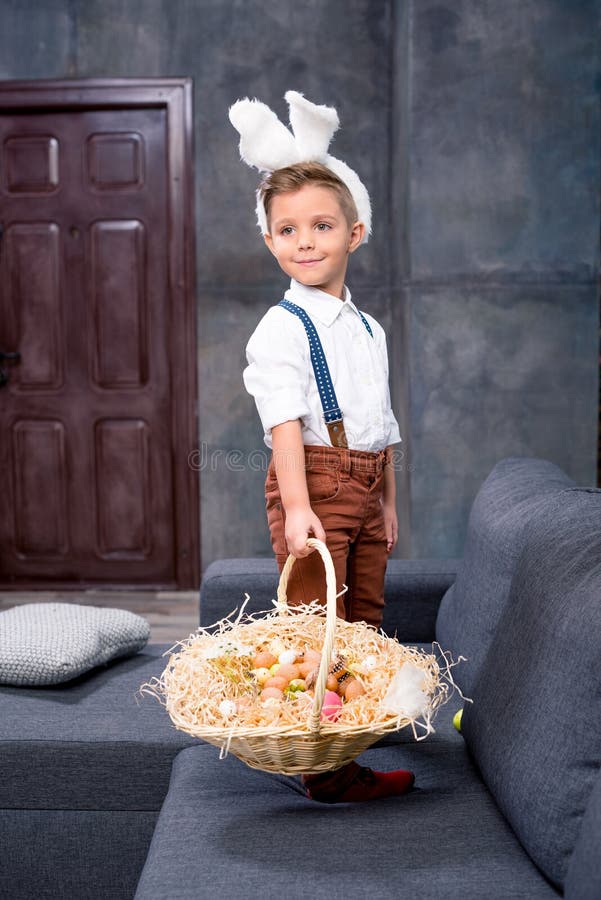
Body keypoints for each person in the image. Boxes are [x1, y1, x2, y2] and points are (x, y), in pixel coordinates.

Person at [230, 91, 415, 803]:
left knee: (363, 614)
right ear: (270, 240)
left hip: (364, 485)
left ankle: (348, 726)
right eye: (286, 229)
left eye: (320, 225)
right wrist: (301, 509)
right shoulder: (281, 328)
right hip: (314, 484)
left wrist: (387, 503)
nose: (303, 241)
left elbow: (383, 421)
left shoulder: (369, 330)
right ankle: (322, 769)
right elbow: (283, 424)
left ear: (354, 232)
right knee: (318, 622)